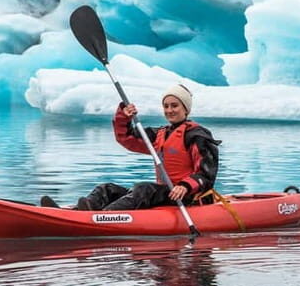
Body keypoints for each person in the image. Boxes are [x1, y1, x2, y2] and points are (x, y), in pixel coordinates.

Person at [41, 84, 220, 210]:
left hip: (187, 197)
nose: (169, 110)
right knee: (106, 189)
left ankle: (101, 217)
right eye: (166, 106)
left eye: (174, 106)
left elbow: (207, 174)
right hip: (164, 194)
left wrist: (185, 186)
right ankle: (77, 213)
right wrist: (124, 117)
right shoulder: (160, 134)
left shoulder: (197, 135)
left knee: (143, 189)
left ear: (186, 109)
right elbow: (126, 138)